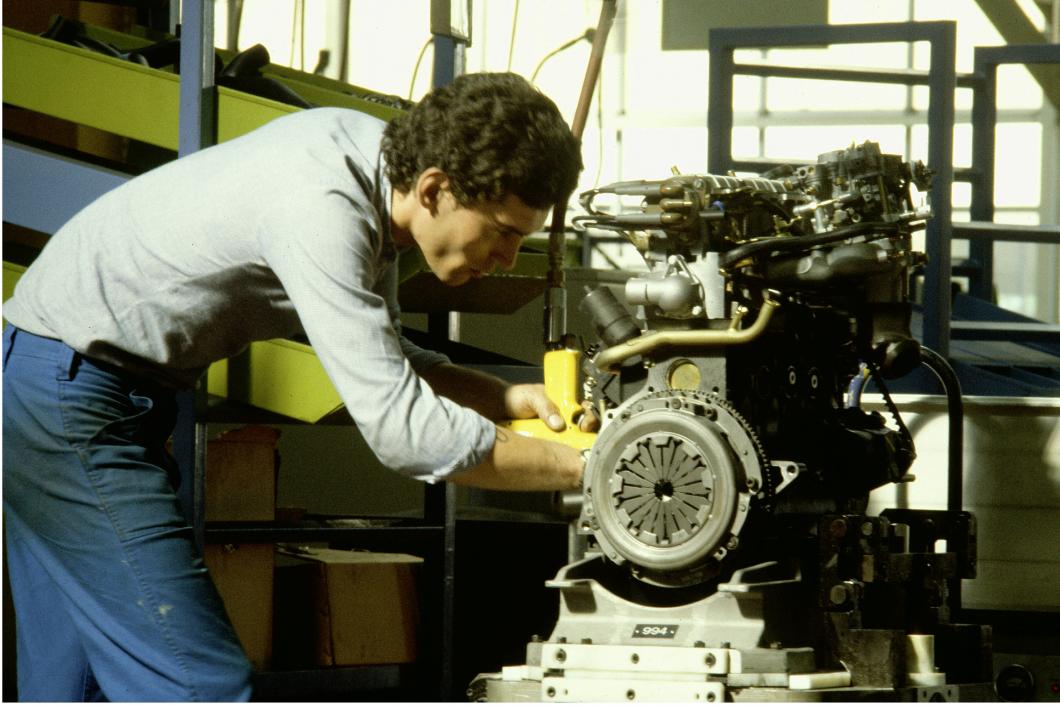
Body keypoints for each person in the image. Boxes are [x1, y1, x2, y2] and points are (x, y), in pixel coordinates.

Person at [2, 72, 591, 701]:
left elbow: (381, 355)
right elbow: (405, 435)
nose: (506, 258)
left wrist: (499, 397)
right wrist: (588, 469)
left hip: (66, 380)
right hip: (69, 397)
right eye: (504, 231)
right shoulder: (326, 205)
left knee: (69, 687)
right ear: (436, 188)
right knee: (201, 686)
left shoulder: (377, 166)